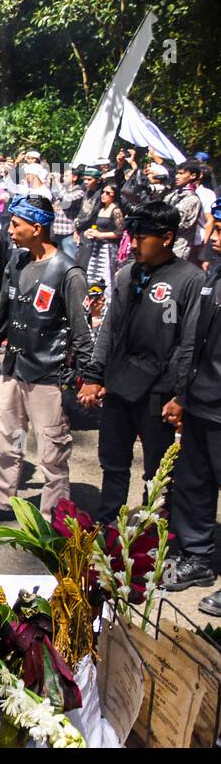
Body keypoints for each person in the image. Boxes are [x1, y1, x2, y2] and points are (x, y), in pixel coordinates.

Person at [0, 196, 94, 524]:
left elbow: (82, 330)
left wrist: (90, 377)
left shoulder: (69, 272)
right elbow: (2, 312)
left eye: (16, 225)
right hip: (13, 370)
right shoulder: (17, 262)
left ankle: (55, 515)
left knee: (51, 450)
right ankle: (2, 501)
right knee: (8, 440)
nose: (9, 230)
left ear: (37, 228)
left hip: (48, 374)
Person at [80, 201, 204, 525]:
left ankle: (153, 533)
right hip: (120, 385)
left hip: (160, 392)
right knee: (113, 463)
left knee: (157, 471)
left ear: (167, 237)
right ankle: (108, 526)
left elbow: (189, 341)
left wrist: (181, 395)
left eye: (141, 237)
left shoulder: (190, 279)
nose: (133, 244)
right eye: (131, 237)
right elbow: (109, 329)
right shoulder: (126, 275)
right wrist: (94, 375)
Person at [162, 220, 221, 600]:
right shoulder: (214, 275)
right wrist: (184, 394)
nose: (213, 238)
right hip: (202, 399)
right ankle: (196, 557)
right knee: (193, 484)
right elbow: (196, 340)